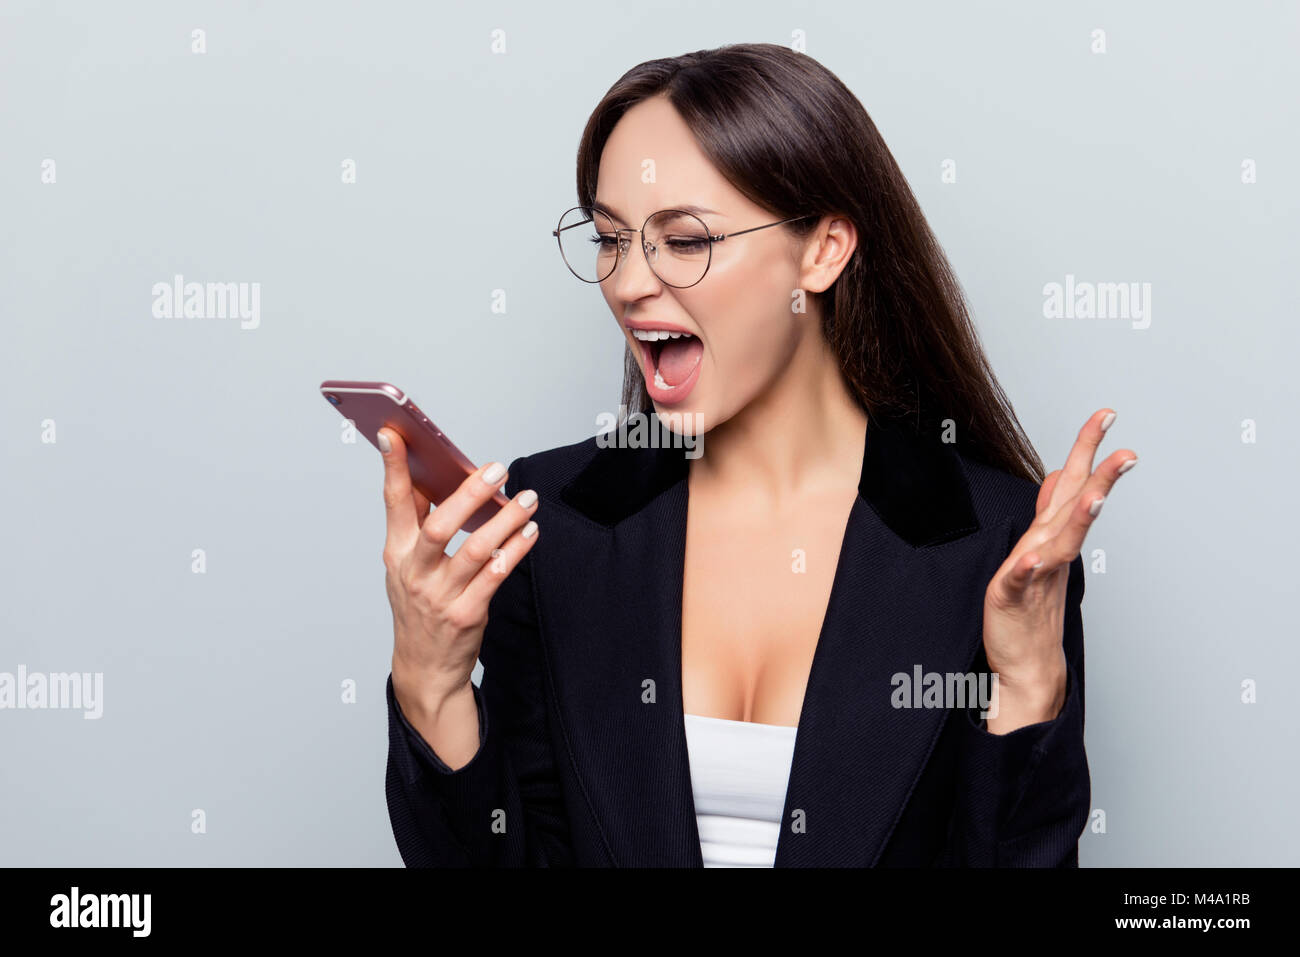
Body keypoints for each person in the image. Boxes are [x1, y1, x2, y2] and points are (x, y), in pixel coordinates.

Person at [379, 42, 1136, 866]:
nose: (630, 282)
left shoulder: (994, 546)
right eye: (610, 238)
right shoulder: (548, 524)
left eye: (685, 239)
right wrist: (433, 682)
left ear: (822, 251)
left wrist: (1029, 690)